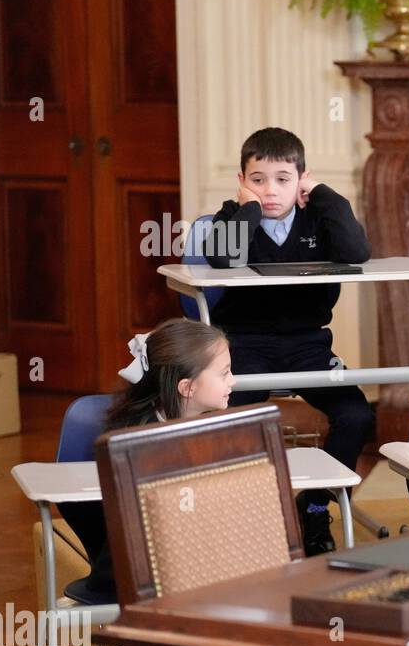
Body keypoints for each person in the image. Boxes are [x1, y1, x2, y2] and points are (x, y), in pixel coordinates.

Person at [205, 126, 374, 554]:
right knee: (227, 422)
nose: (270, 190)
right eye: (258, 179)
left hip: (308, 347)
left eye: (283, 179)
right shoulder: (231, 217)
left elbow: (356, 252)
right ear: (242, 182)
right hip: (246, 345)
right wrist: (247, 210)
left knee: (355, 414)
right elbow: (225, 260)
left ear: (301, 179)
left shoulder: (321, 217)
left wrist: (322, 194)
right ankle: (237, 515)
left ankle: (315, 510)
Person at [58, 319, 234, 606]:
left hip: (188, 567)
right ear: (187, 388)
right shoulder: (140, 441)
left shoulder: (193, 428)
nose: (233, 381)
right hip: (136, 575)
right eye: (224, 373)